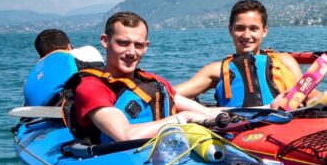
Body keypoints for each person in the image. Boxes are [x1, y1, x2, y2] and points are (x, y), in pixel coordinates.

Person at [62, 11, 219, 143]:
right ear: (105, 41)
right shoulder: (91, 87)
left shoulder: (152, 81)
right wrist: (183, 119)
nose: (131, 52)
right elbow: (124, 134)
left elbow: (204, 112)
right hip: (117, 162)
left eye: (138, 45)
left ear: (146, 47)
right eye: (123, 43)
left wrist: (236, 115)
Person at [174, 0, 302, 108]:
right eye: (240, 28)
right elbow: (168, 96)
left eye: (253, 29)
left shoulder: (286, 61)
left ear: (264, 31)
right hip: (238, 131)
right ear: (231, 30)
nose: (246, 35)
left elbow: (312, 95)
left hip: (285, 129)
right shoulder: (215, 70)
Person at [23, 29, 104, 106]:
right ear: (69, 47)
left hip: (34, 118)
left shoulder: (34, 75)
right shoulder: (84, 53)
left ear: (41, 56)